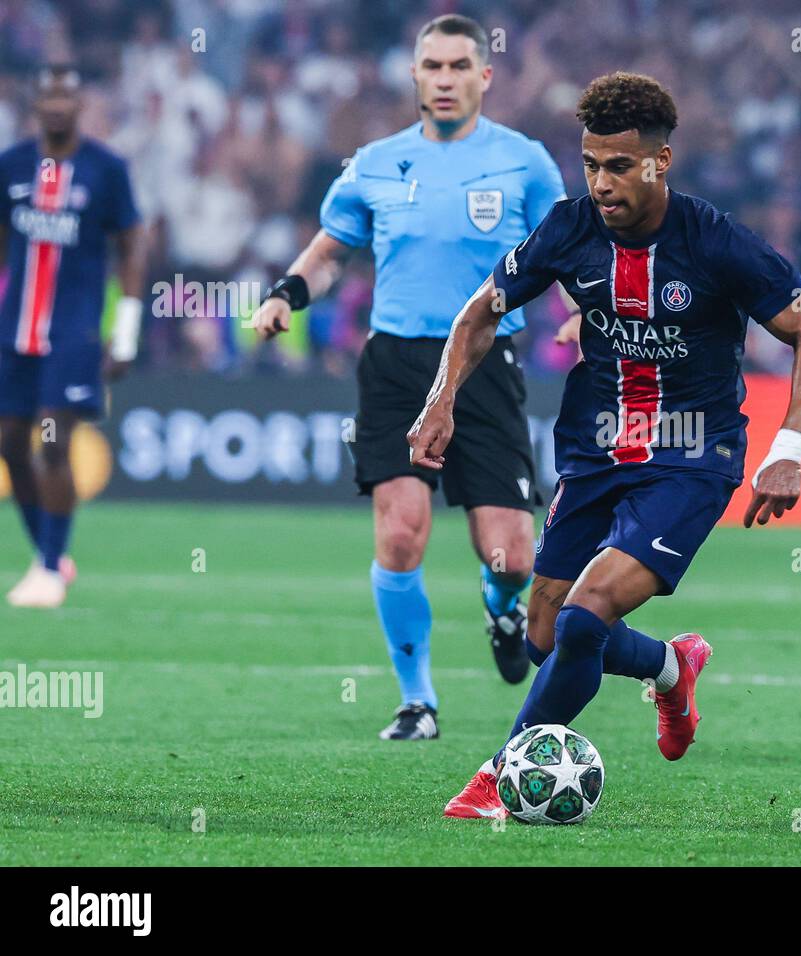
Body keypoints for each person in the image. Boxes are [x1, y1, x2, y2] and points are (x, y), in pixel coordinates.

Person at [405, 72, 801, 818]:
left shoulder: (717, 243)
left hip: (691, 457)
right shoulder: (569, 230)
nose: (600, 183)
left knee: (583, 617)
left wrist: (790, 445)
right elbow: (481, 312)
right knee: (546, 632)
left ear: (659, 163)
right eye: (591, 164)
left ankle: (498, 778)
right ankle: (673, 666)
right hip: (596, 451)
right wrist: (439, 399)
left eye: (617, 166)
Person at [249, 15, 576, 741]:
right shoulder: (375, 162)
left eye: (461, 66)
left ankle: (503, 603)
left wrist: (583, 309)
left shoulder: (524, 162)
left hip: (486, 363)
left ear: (484, 77)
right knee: (401, 536)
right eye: (434, 66)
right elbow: (330, 248)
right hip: (398, 361)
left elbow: (567, 249)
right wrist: (285, 293)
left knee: (512, 554)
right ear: (416, 76)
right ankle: (417, 701)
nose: (447, 79)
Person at [0, 64, 145, 609]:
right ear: (33, 104)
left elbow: (133, 246)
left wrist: (124, 331)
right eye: (47, 95)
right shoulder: (11, 166)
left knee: (54, 442)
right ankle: (51, 556)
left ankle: (46, 570)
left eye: (67, 94)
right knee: (10, 444)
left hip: (74, 331)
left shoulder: (106, 169)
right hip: (15, 330)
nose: (57, 104)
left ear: (81, 103)